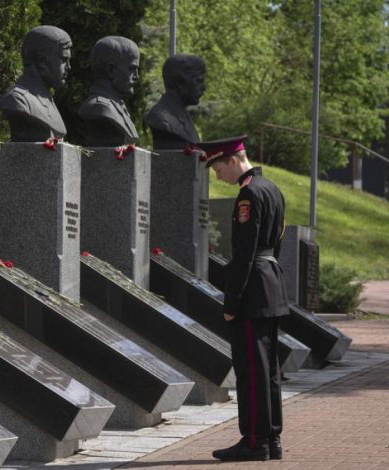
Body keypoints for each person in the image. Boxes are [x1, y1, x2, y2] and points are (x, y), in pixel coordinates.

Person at [196, 135, 289, 462]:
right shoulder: (272, 189)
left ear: (233, 160)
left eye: (218, 167)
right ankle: (271, 438)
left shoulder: (249, 194)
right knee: (268, 370)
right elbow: (275, 245)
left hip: (252, 290)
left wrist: (231, 301)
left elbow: (245, 252)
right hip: (271, 285)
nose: (219, 176)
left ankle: (254, 441)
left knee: (251, 370)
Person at [0, 25, 71, 142]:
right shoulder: (17, 99)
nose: (69, 67)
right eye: (63, 60)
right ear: (41, 60)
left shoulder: (47, 100)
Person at [77, 36, 140, 147]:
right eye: (132, 69)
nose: (136, 76)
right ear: (111, 70)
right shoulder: (98, 107)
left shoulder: (117, 105)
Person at [144, 54, 205, 149]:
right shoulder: (161, 118)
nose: (203, 87)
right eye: (199, 81)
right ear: (180, 82)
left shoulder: (183, 115)